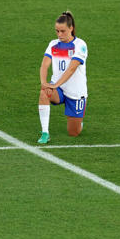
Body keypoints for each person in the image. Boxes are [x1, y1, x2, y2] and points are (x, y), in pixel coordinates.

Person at [37, 11, 88, 144]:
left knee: (73, 133)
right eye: (57, 31)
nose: (59, 35)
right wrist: (44, 83)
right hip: (58, 89)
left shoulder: (80, 45)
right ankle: (45, 133)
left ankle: (78, 122)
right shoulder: (53, 44)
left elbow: (71, 69)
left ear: (71, 28)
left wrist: (55, 85)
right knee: (44, 93)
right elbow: (44, 65)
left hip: (75, 92)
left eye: (63, 31)